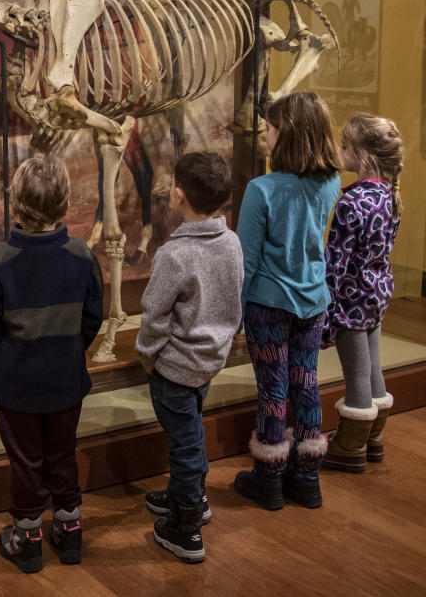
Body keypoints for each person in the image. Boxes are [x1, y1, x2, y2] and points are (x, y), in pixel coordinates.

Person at [0, 154, 104, 573]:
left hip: (17, 388)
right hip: (65, 384)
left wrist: (1, 363)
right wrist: (67, 352)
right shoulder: (82, 255)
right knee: (62, 453)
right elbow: (92, 318)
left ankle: (26, 541)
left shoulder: (0, 259)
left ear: (15, 205)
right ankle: (69, 529)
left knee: (26, 462)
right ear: (66, 205)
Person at [234, 91, 342, 510]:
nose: (265, 135)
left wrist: (235, 314)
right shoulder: (331, 183)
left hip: (268, 304)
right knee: (306, 382)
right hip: (314, 301)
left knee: (273, 389)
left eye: (271, 128)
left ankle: (269, 478)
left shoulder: (260, 190)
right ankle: (307, 477)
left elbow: (246, 259)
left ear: (287, 135)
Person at [137, 152, 243, 564]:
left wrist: (149, 357)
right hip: (208, 364)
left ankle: (186, 528)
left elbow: (154, 316)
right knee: (190, 435)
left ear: (178, 195)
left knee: (186, 444)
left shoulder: (173, 255)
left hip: (176, 370)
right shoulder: (231, 242)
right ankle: (191, 496)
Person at [321, 114, 404, 473]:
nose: (339, 151)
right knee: (372, 366)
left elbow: (335, 264)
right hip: (376, 296)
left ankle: (350, 446)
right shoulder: (390, 195)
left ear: (363, 155)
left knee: (356, 371)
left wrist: (325, 310)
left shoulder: (351, 202)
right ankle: (374, 437)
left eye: (344, 146)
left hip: (351, 302)